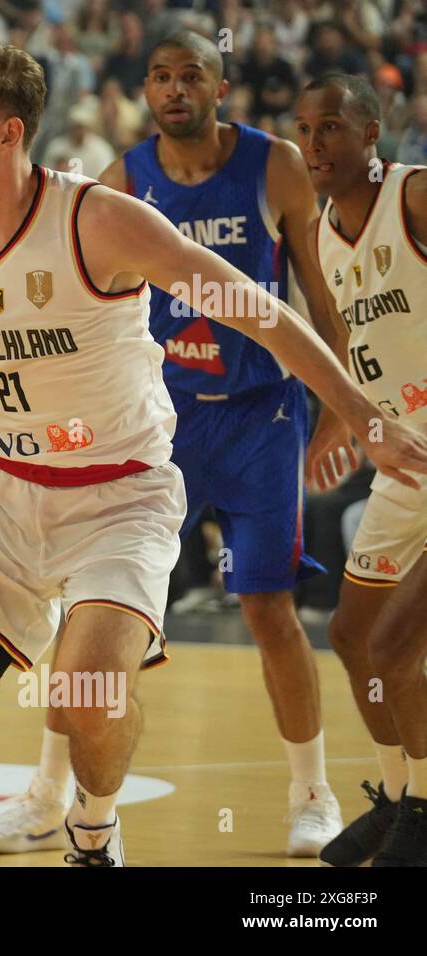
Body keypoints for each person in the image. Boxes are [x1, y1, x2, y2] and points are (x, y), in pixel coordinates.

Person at [0, 40, 427, 867]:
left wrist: (360, 414)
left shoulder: (98, 218)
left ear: (9, 132)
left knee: (85, 692)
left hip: (118, 496)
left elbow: (257, 312)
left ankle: (94, 825)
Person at [0, 30, 344, 859]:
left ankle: (312, 793)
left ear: (220, 84)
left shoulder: (274, 164)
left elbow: (315, 285)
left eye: (192, 76)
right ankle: (48, 799)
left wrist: (344, 410)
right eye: (162, 78)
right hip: (158, 421)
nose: (176, 89)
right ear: (145, 90)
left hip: (258, 416)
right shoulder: (122, 179)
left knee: (268, 607)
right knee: (95, 621)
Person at [300, 75, 427, 867]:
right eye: (306, 130)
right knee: (351, 635)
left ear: (372, 131)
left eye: (332, 128)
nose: (315, 145)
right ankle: (397, 798)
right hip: (405, 458)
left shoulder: (413, 198)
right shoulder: (320, 236)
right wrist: (335, 425)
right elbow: (343, 350)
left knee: (393, 647)